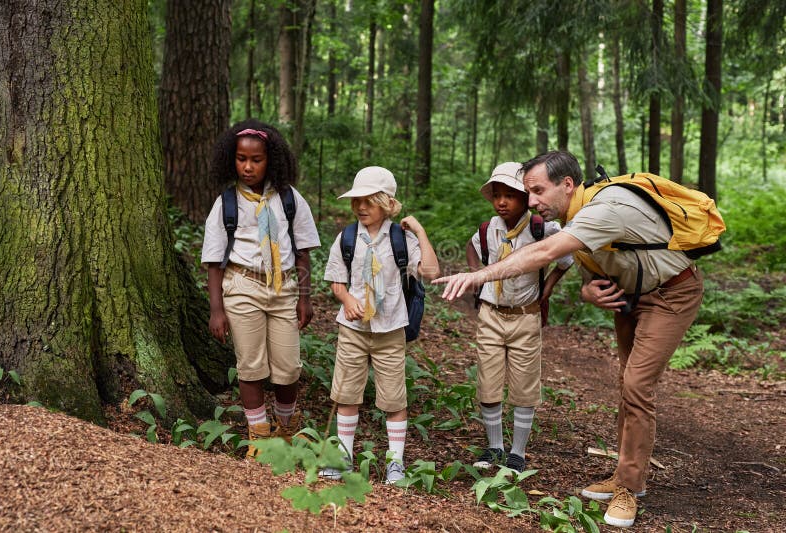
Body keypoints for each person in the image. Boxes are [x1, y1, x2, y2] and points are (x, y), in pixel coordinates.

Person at [434, 151, 703, 528]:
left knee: (637, 385)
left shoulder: (601, 210)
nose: (531, 201)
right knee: (628, 385)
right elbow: (590, 273)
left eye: (538, 191)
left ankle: (630, 487)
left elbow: (543, 253)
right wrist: (588, 292)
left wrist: (477, 277)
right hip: (629, 295)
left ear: (567, 184)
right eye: (528, 192)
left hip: (672, 293)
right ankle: (622, 475)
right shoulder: (571, 217)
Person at [201, 119, 320, 458]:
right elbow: (213, 261)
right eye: (241, 159)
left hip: (283, 288)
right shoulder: (226, 203)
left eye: (256, 159)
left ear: (272, 160)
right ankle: (258, 434)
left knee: (288, 366)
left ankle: (286, 428)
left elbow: (302, 252)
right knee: (251, 365)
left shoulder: (289, 199)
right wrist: (217, 310)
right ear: (231, 159)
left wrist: (304, 298)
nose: (248, 166)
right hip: (242, 286)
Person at [320, 166, 440, 484]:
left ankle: (395, 463)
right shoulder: (347, 238)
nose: (361, 207)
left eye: (369, 201)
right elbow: (336, 282)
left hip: (390, 330)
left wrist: (420, 231)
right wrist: (347, 300)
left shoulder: (401, 239)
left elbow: (430, 272)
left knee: (393, 398)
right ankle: (343, 458)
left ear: (386, 203)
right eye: (357, 200)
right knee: (346, 394)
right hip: (353, 330)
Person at [466, 162, 573, 473]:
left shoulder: (543, 229)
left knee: (525, 385)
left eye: (510, 196)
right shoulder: (488, 229)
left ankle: (518, 451)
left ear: (526, 196)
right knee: (488, 380)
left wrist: (547, 289)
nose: (502, 202)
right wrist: (478, 276)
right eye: (496, 196)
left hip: (525, 316)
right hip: (490, 314)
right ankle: (494, 446)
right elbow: (472, 248)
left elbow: (566, 259)